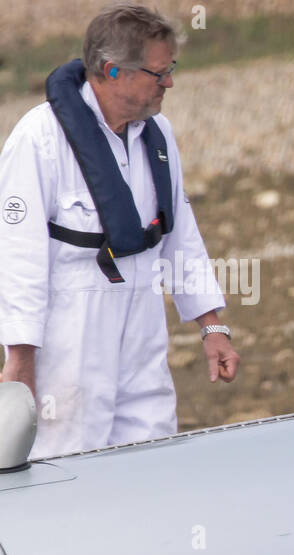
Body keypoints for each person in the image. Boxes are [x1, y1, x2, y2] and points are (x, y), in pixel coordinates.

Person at [0, 3, 238, 460]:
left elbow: (180, 234)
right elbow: (16, 258)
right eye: (158, 73)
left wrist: (213, 328)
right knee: (65, 459)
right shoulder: (39, 139)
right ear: (113, 71)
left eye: (171, 69)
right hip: (70, 330)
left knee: (152, 448)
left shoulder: (158, 135)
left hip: (142, 317)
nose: (169, 82)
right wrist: (21, 359)